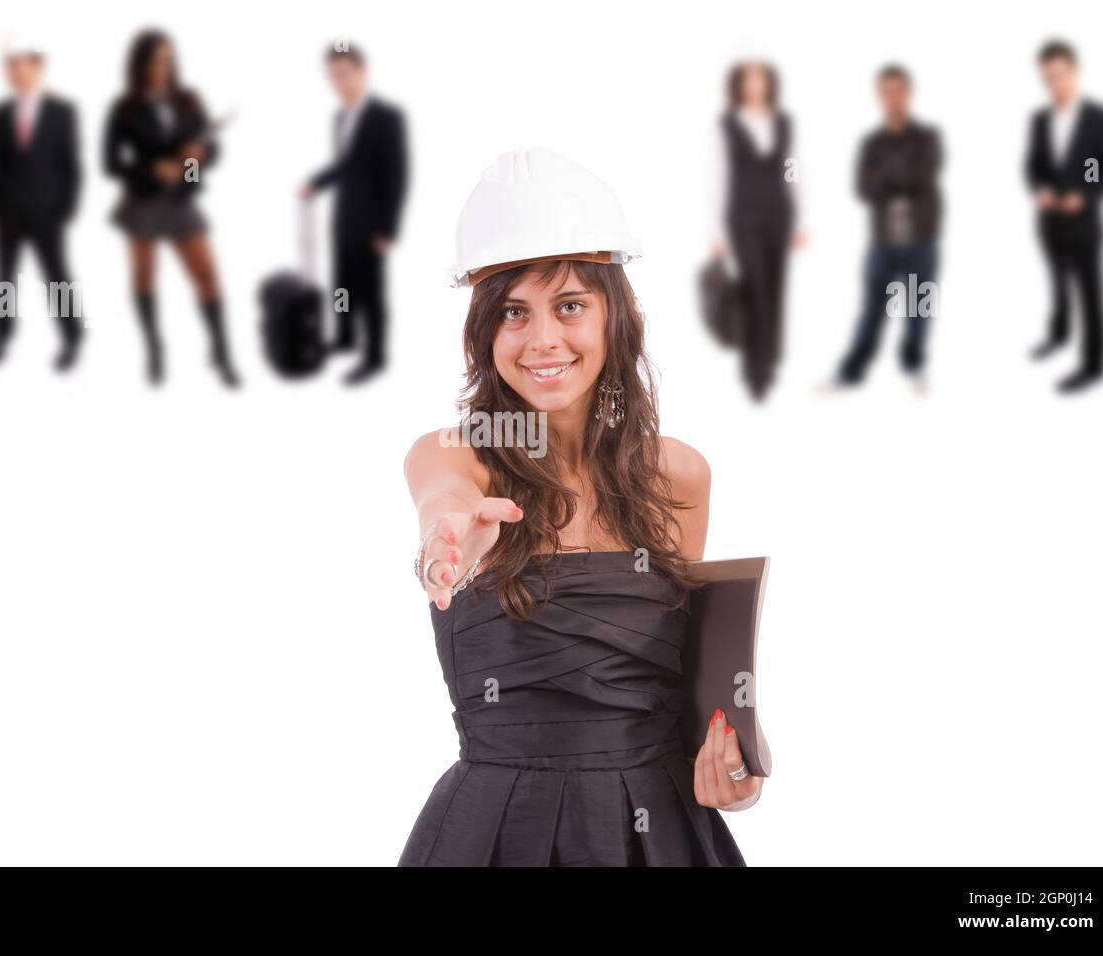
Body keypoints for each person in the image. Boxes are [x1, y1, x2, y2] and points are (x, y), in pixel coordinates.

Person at [399, 148, 761, 867]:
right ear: (485, 330)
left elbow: (690, 699)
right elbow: (444, 500)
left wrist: (735, 775)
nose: (543, 340)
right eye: (513, 312)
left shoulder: (678, 475)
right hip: (496, 832)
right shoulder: (457, 453)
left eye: (570, 305)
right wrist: (446, 539)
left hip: (660, 835)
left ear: (613, 315)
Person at [103, 29, 239, 388]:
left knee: (207, 276)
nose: (162, 67)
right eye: (155, 60)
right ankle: (154, 349)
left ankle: (221, 351)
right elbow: (110, 164)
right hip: (143, 198)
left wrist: (200, 157)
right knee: (144, 275)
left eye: (167, 59)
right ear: (140, 64)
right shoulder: (124, 108)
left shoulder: (188, 100)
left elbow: (210, 149)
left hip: (181, 199)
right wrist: (151, 168)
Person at [827, 65, 943, 394]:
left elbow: (922, 177)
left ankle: (914, 365)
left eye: (898, 91)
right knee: (872, 310)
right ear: (881, 96)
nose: (892, 97)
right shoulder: (872, 143)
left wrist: (887, 176)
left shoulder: (927, 138)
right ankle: (851, 371)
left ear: (908, 94)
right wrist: (897, 175)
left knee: (920, 306)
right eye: (886, 91)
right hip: (884, 241)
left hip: (922, 238)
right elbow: (864, 188)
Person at [300, 43, 408, 385]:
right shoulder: (340, 117)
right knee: (342, 285)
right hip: (344, 217)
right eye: (334, 76)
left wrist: (387, 228)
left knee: (371, 290)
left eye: (345, 73)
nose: (339, 81)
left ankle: (374, 356)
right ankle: (345, 337)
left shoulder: (386, 117)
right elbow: (345, 166)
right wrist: (316, 183)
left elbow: (397, 173)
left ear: (362, 72)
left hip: (372, 223)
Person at [1025, 40, 1103, 394]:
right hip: (1050, 223)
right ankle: (1059, 334)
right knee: (1057, 284)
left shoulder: (1099, 118)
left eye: (1061, 75)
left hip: (1084, 225)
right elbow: (1033, 166)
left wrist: (1086, 192)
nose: (1055, 84)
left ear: (1075, 71)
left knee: (1090, 295)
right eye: (1048, 78)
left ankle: (1094, 365)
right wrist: (1039, 188)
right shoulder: (1039, 120)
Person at [0, 36, 85, 371]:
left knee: (57, 276)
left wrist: (67, 207)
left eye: (17, 64)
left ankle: (72, 336)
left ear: (37, 66)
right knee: (4, 279)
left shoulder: (62, 111)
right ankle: (1, 335)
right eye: (7, 65)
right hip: (7, 212)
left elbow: (72, 164)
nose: (11, 71)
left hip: (47, 212)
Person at [708, 60, 805, 401]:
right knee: (755, 286)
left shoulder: (783, 123)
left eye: (760, 79)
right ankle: (756, 368)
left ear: (768, 84)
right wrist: (716, 232)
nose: (754, 85)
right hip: (743, 215)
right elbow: (719, 176)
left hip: (778, 212)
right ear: (740, 84)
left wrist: (801, 219)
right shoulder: (728, 124)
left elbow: (794, 169)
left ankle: (770, 357)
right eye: (748, 79)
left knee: (776, 288)